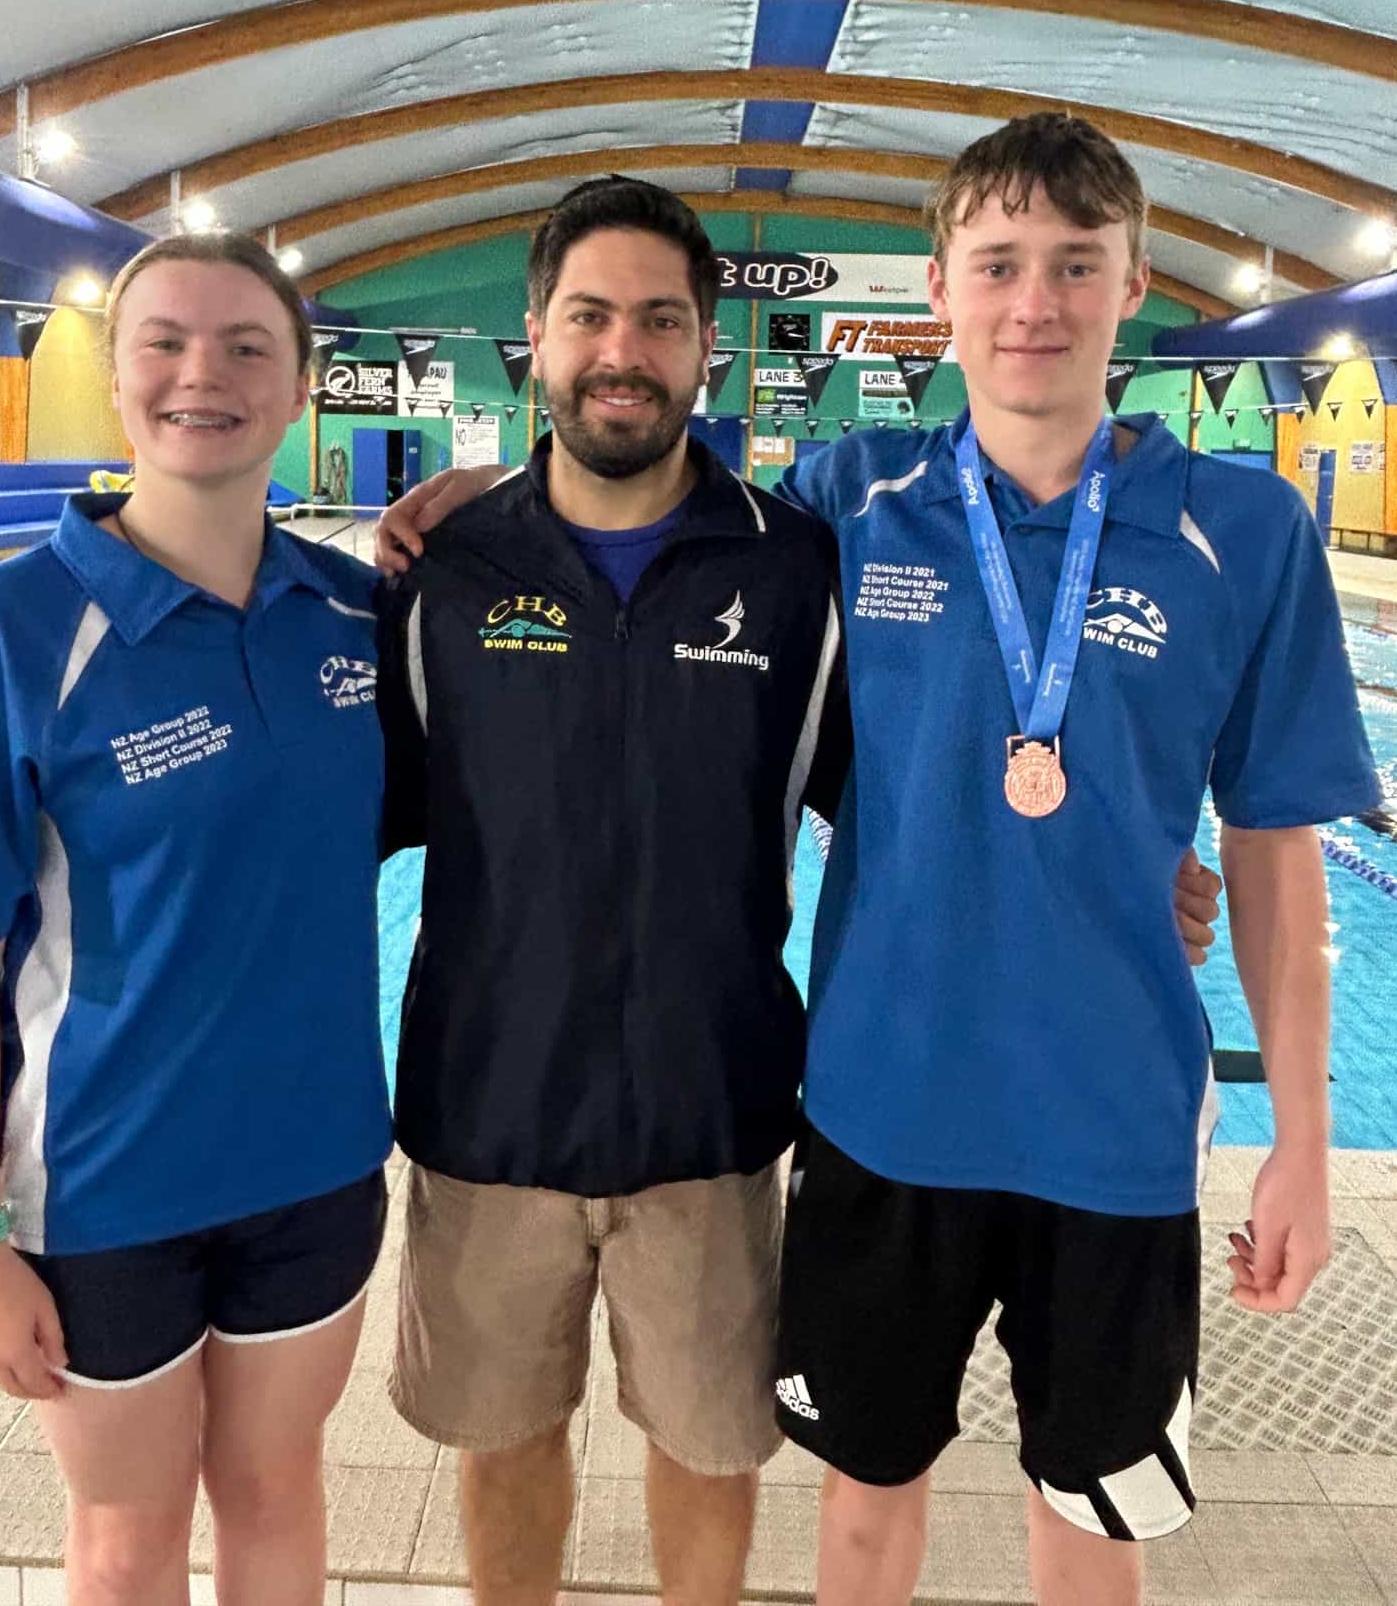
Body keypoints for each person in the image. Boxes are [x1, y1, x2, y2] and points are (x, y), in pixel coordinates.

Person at [371, 174, 1222, 1606]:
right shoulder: (442, 573)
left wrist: (1137, 873)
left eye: (658, 319)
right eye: (589, 315)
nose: (622, 349)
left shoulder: (796, 571)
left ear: (709, 345)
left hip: (713, 1115)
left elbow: (915, 793)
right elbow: (331, 822)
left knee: (713, 1449)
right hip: (486, 1104)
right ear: (534, 335)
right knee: (503, 1442)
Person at [769, 115, 1379, 1606]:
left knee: (1094, 1526)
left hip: (1111, 1123)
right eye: (998, 264)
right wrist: (478, 512)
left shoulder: (1242, 526)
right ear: (939, 292)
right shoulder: (852, 498)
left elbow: (1278, 855)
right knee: (863, 1505)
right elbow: (654, 603)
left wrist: (1300, 1140)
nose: (1033, 300)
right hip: (879, 1103)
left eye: (1072, 264)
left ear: (1132, 283)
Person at [0, 233, 393, 1606]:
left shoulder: (354, 612)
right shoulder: (10, 627)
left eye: (248, 346)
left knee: (278, 1489)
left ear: (301, 387)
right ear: (114, 379)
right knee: (127, 1535)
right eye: (166, 341)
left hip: (318, 1163)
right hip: (103, 1186)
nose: (203, 375)